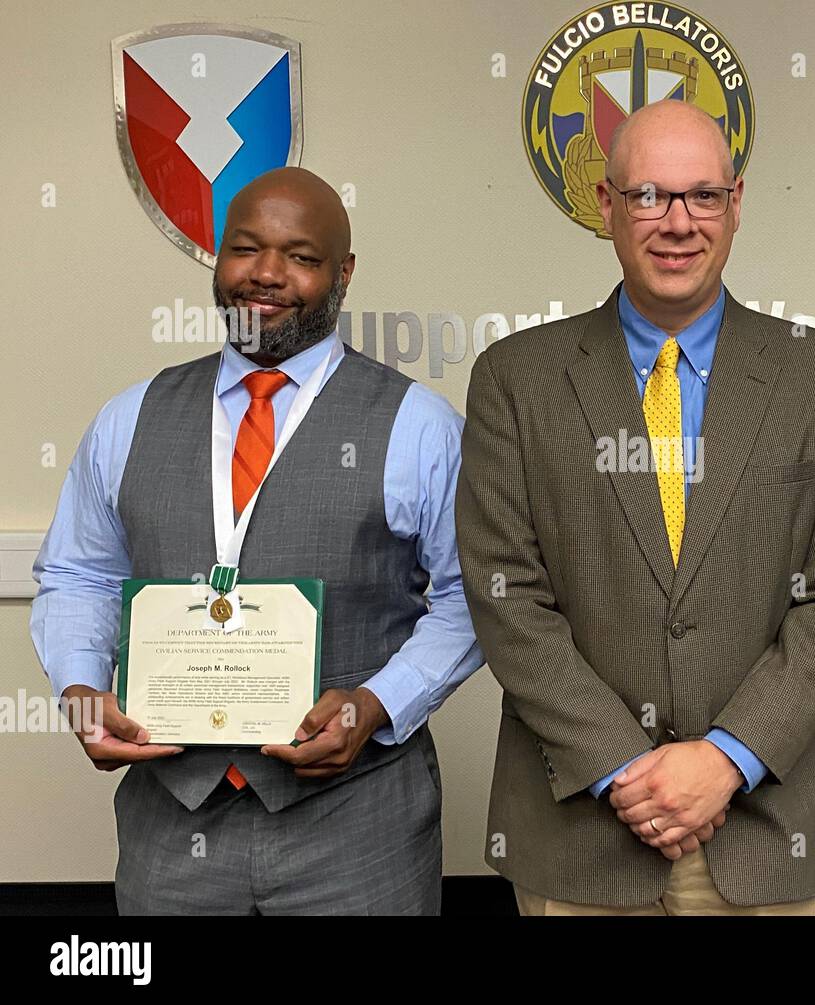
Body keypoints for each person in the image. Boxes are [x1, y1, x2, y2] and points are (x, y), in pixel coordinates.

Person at [456, 99, 815, 915]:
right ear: (608, 207)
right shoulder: (517, 379)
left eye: (703, 195)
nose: (678, 222)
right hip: (583, 832)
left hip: (764, 832)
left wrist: (726, 758)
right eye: (650, 195)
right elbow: (506, 594)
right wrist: (625, 767)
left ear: (737, 202)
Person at [31, 167, 482, 915]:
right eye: (245, 249)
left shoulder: (420, 425)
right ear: (218, 258)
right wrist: (80, 689)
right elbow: (79, 573)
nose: (266, 274)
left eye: (300, 256)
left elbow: (474, 595)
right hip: (172, 827)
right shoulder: (130, 416)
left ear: (344, 273)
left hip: (357, 828)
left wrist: (374, 703)